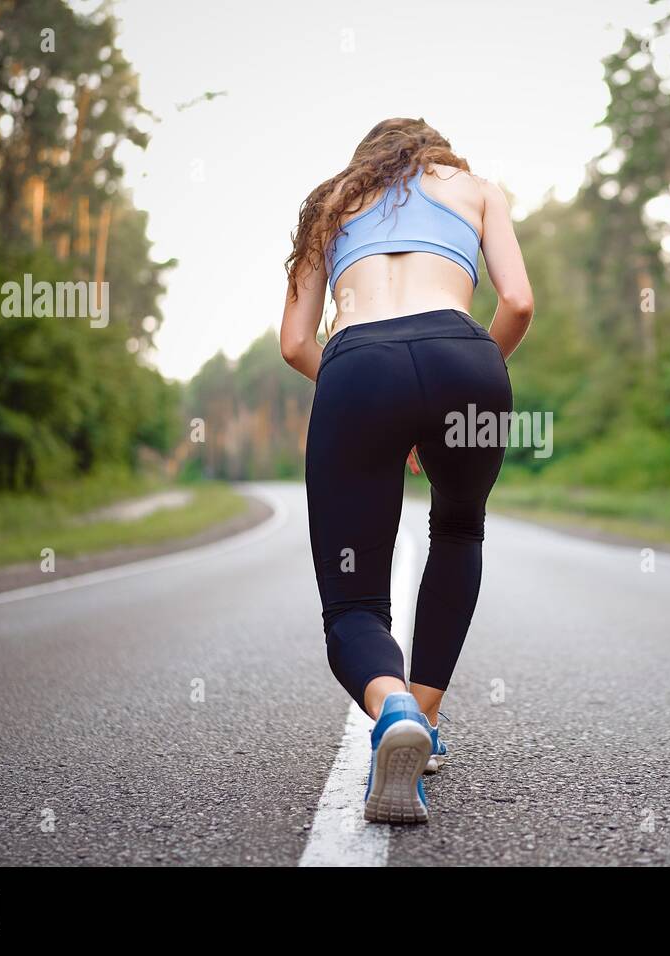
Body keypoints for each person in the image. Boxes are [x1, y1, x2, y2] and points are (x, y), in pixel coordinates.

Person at [281, 118, 534, 823]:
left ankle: (391, 709)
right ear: (437, 152)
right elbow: (517, 302)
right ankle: (424, 717)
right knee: (458, 530)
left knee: (353, 606)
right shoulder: (477, 190)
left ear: (365, 160)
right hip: (466, 356)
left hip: (358, 361)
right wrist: (459, 380)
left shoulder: (329, 204)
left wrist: (366, 398)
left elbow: (296, 341)